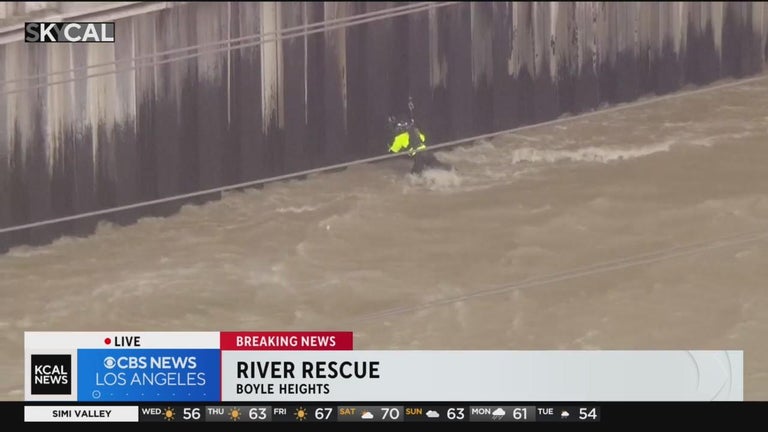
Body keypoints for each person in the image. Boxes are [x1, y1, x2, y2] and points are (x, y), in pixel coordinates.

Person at [387, 98, 452, 175]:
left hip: (419, 156)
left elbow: (394, 151)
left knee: (414, 177)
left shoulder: (399, 138)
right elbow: (422, 138)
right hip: (428, 153)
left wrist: (389, 147)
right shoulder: (415, 131)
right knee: (442, 168)